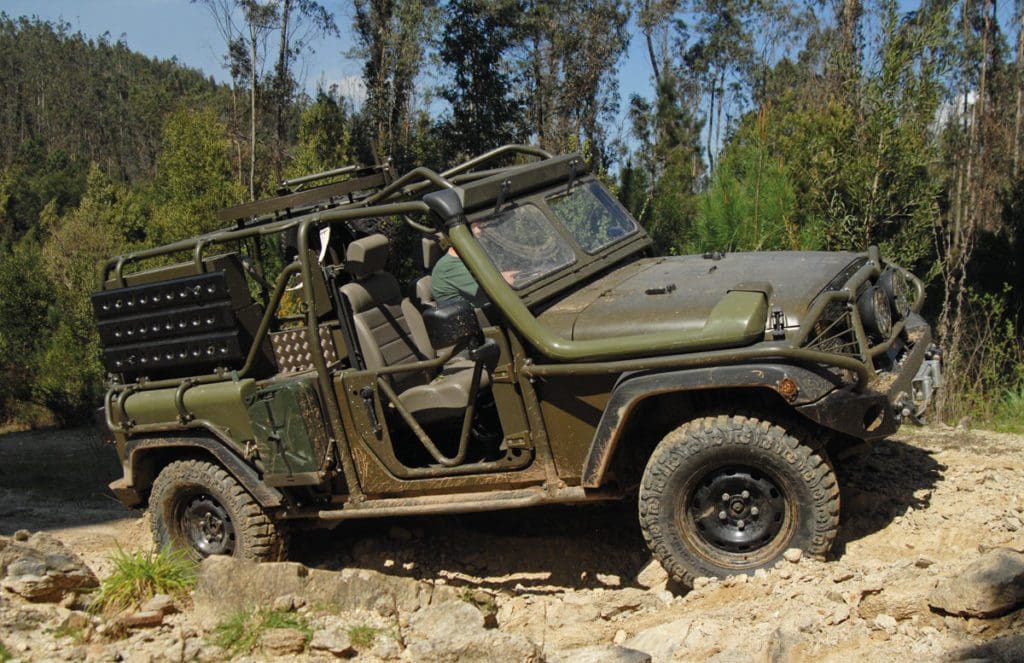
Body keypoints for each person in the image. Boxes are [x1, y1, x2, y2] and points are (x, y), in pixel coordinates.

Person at [431, 223, 517, 306]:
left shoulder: (471, 257)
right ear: (455, 236)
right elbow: (496, 286)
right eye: (471, 227)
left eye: (478, 225)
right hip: (471, 313)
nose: (479, 231)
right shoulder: (448, 267)